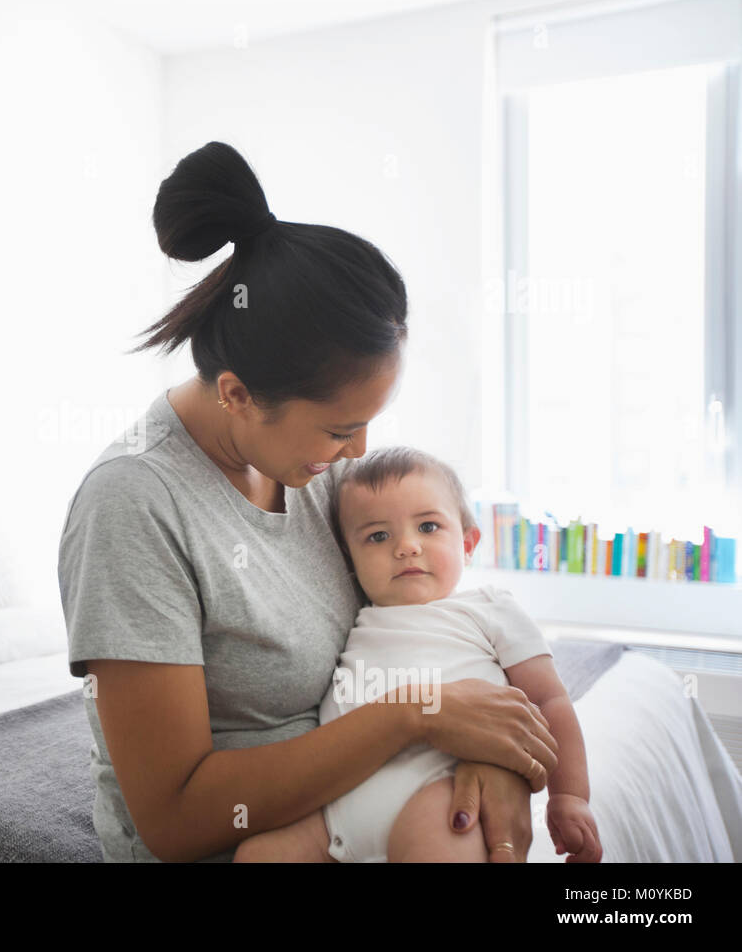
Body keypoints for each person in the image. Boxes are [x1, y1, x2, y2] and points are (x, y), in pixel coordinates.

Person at [57, 140, 557, 863]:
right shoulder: (134, 509)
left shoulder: (306, 461)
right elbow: (174, 820)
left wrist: (482, 755)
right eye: (340, 428)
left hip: (373, 792)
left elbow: (416, 616)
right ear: (237, 394)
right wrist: (420, 719)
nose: (356, 454)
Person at [232, 446, 601, 863]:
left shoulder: (488, 608)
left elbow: (550, 699)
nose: (406, 547)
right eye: (377, 536)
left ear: (468, 542)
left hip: (441, 790)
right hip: (336, 810)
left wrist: (569, 795)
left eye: (427, 526)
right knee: (257, 854)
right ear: (348, 561)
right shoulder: (355, 619)